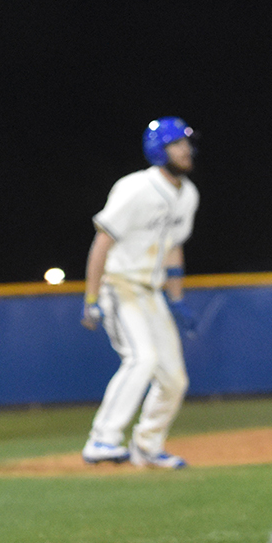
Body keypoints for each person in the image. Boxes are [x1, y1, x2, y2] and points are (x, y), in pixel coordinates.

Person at [80, 117, 202, 470]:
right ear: (158, 149)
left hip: (152, 292)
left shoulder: (188, 194)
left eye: (186, 143)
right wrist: (91, 298)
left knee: (174, 379)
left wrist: (176, 298)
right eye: (176, 144)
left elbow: (174, 249)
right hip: (119, 284)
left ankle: (147, 446)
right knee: (142, 359)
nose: (185, 150)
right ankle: (102, 439)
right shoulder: (136, 187)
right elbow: (102, 241)